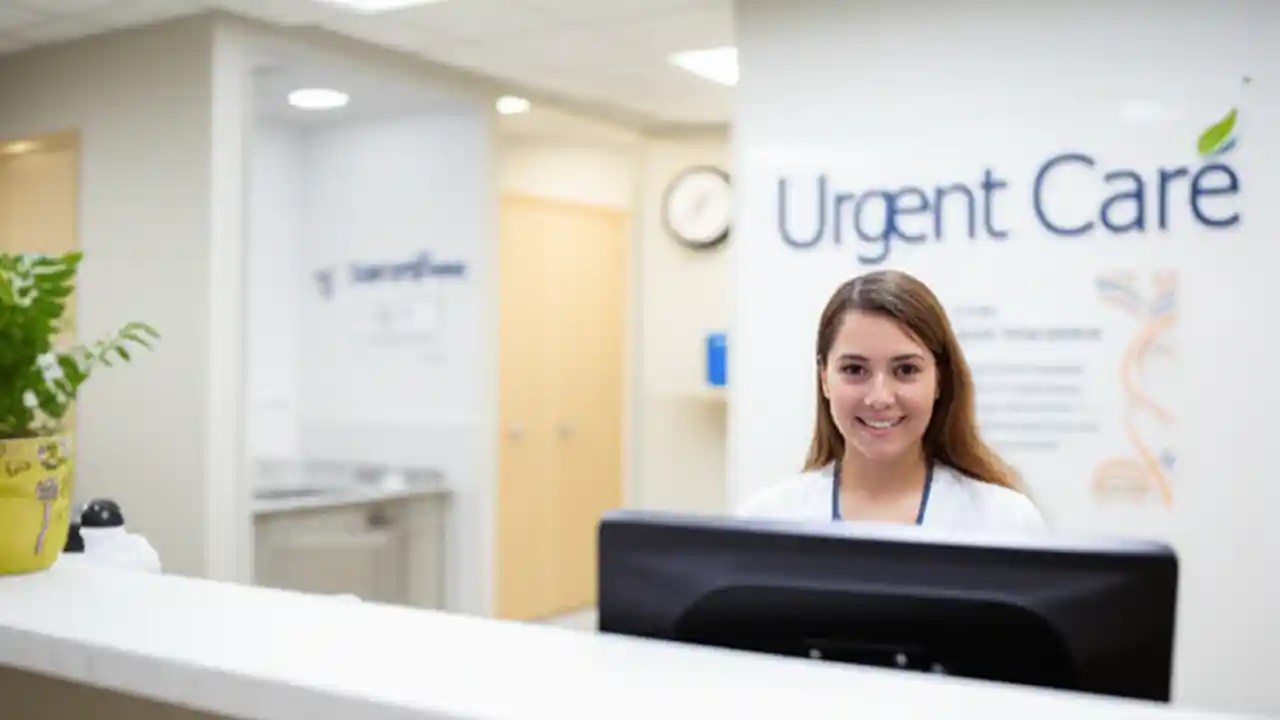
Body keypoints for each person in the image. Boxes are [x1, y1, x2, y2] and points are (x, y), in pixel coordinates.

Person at [737, 270, 1045, 533]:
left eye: (906, 370)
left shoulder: (1007, 523)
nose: (880, 398)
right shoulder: (766, 523)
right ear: (824, 380)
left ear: (940, 379)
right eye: (854, 370)